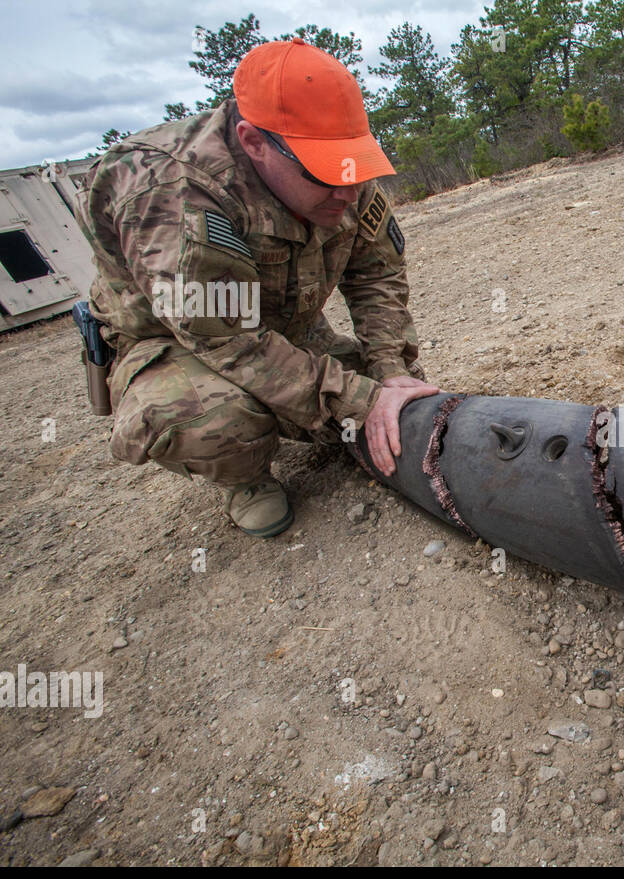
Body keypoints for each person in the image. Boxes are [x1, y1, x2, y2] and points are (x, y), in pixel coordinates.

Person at [74, 37, 441, 537]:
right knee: (219, 423)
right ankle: (245, 480)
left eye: (353, 168)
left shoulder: (340, 168)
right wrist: (358, 401)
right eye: (324, 174)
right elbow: (228, 338)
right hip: (181, 341)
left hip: (282, 327)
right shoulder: (171, 191)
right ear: (253, 143)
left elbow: (376, 272)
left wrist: (389, 370)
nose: (347, 192)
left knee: (390, 398)